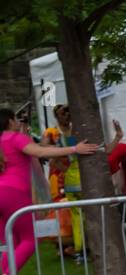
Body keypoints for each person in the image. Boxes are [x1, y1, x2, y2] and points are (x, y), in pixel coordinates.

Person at [1, 108, 101, 275]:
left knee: (11, 241)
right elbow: (40, 151)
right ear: (11, 121)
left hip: (1, 192)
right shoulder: (15, 138)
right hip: (15, 192)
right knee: (30, 238)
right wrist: (74, 149)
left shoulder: (4, 140)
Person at [42, 103, 83, 259]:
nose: (65, 116)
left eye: (67, 113)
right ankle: (61, 244)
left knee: (75, 208)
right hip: (58, 173)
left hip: (75, 172)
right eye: (62, 114)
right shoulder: (51, 132)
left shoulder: (75, 129)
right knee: (61, 207)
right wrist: (55, 155)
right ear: (56, 116)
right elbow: (43, 148)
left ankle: (76, 243)